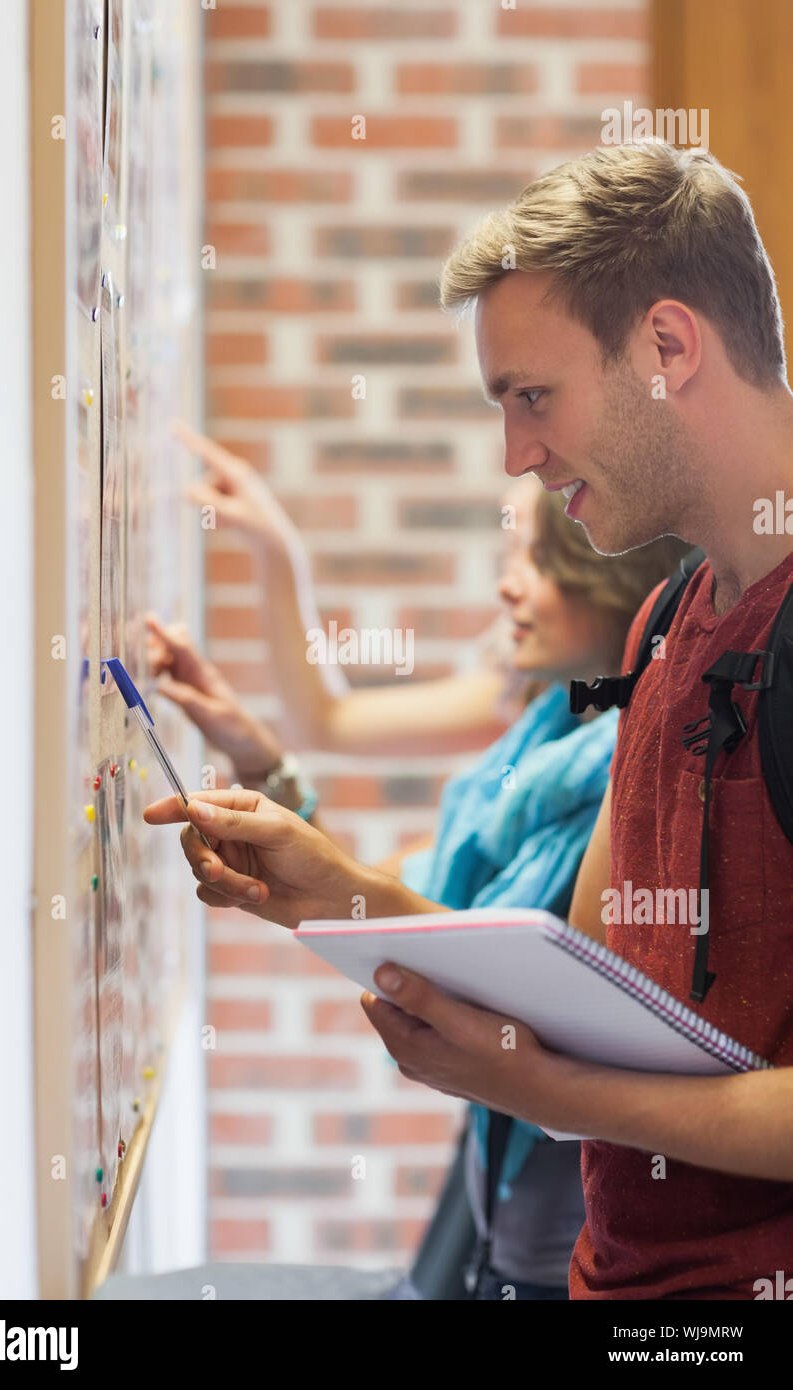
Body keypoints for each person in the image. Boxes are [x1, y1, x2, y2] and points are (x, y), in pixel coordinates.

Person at [145, 138, 793, 1301]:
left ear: (664, 348)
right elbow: (590, 979)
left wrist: (541, 1092)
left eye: (531, 396)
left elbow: (569, 1064)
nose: (516, 453)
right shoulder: (661, 625)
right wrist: (334, 890)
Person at [147, 474, 685, 1298]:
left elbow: (403, 921)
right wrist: (261, 764)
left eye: (534, 559)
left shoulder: (632, 770)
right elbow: (373, 891)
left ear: (613, 578)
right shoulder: (550, 726)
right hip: (491, 1237)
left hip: (552, 1258)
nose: (507, 583)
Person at [171, 419, 520, 759]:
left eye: (535, 554)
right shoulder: (525, 691)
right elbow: (323, 723)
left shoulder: (534, 692)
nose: (507, 587)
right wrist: (275, 549)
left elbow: (323, 725)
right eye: (512, 555)